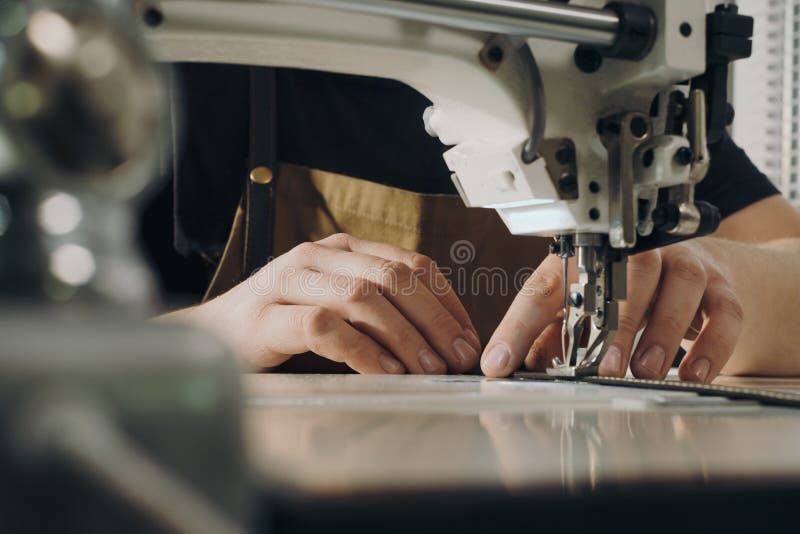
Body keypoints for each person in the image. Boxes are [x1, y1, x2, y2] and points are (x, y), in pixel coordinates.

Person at [151, 65, 800, 383]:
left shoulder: (609, 84)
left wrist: (718, 269)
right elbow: (51, 352)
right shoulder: (184, 69)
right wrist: (213, 335)